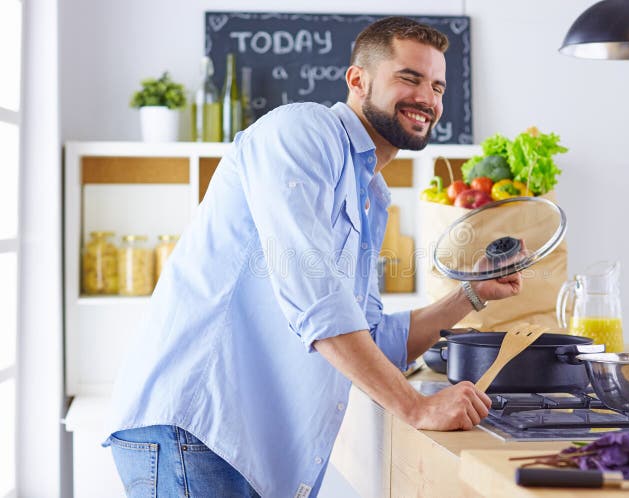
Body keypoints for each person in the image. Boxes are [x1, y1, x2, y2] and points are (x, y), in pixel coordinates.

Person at [105, 16, 522, 498]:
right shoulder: (303, 132)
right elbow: (315, 294)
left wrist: (470, 293)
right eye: (409, 78)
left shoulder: (371, 192)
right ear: (357, 80)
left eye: (437, 86)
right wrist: (416, 406)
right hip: (197, 430)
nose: (427, 99)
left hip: (237, 445)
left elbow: (370, 339)